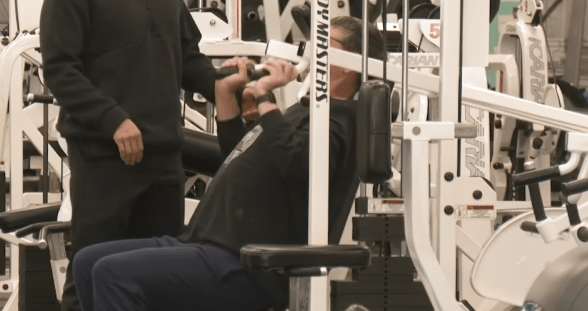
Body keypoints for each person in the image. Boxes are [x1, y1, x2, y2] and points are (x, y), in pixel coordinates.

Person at [71, 16, 386, 311]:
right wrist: (225, 93)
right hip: (206, 243)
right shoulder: (306, 112)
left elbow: (299, 165)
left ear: (348, 66)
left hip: (244, 264)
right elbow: (238, 151)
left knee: (114, 274)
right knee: (87, 261)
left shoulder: (342, 121)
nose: (313, 50)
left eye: (326, 43)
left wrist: (264, 97)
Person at [39, 0, 218, 311]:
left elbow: (188, 57)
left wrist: (232, 87)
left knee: (158, 275)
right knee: (92, 273)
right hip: (105, 156)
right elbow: (60, 71)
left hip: (162, 155)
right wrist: (114, 119)